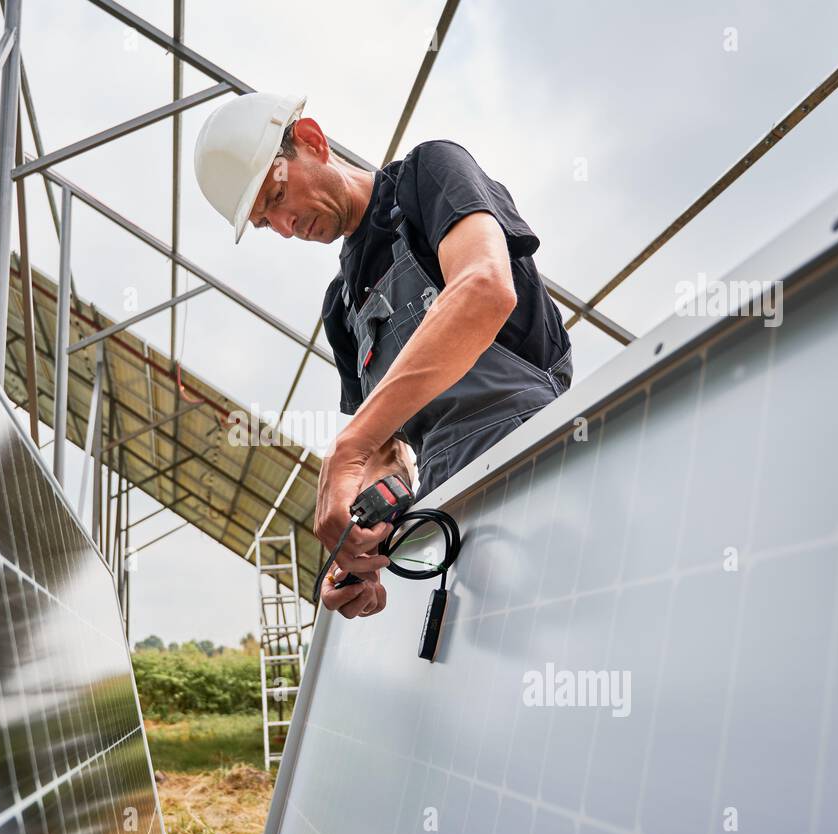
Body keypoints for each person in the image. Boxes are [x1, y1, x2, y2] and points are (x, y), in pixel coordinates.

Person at [194, 93, 571, 619]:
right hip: (453, 515)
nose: (283, 226)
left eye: (276, 196)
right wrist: (363, 555)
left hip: (547, 461)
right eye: (263, 223)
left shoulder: (428, 177)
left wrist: (349, 443)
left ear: (312, 141)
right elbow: (385, 458)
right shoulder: (341, 306)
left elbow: (485, 288)